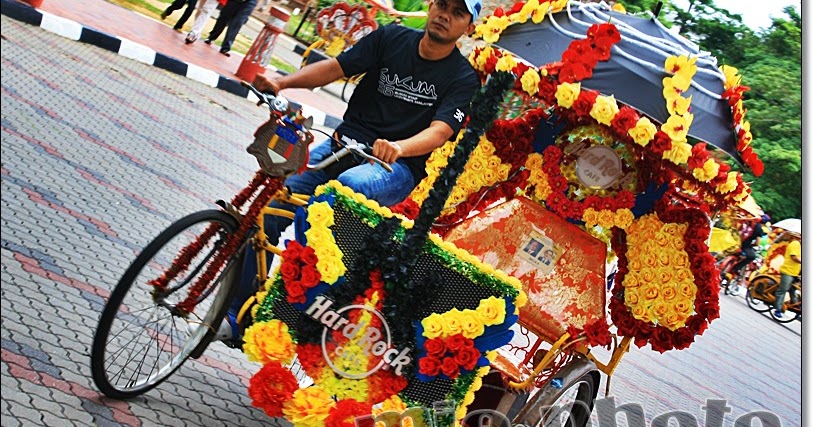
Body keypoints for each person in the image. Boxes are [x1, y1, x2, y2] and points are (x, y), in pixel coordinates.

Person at [213, 0, 483, 342]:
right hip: (342, 145)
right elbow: (336, 68)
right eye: (442, 5)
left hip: (393, 167)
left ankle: (297, 289)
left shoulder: (462, 78)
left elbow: (441, 131)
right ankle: (240, 317)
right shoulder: (391, 38)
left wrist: (399, 148)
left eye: (458, 13)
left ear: (469, 27)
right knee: (268, 210)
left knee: (346, 186)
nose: (446, 15)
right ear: (430, 7)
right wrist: (283, 83)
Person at [773, 234, 801, 318]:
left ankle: (796, 308)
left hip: (795, 272)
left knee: (794, 290)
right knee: (783, 289)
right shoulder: (795, 244)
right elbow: (794, 257)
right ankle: (777, 309)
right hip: (788, 271)